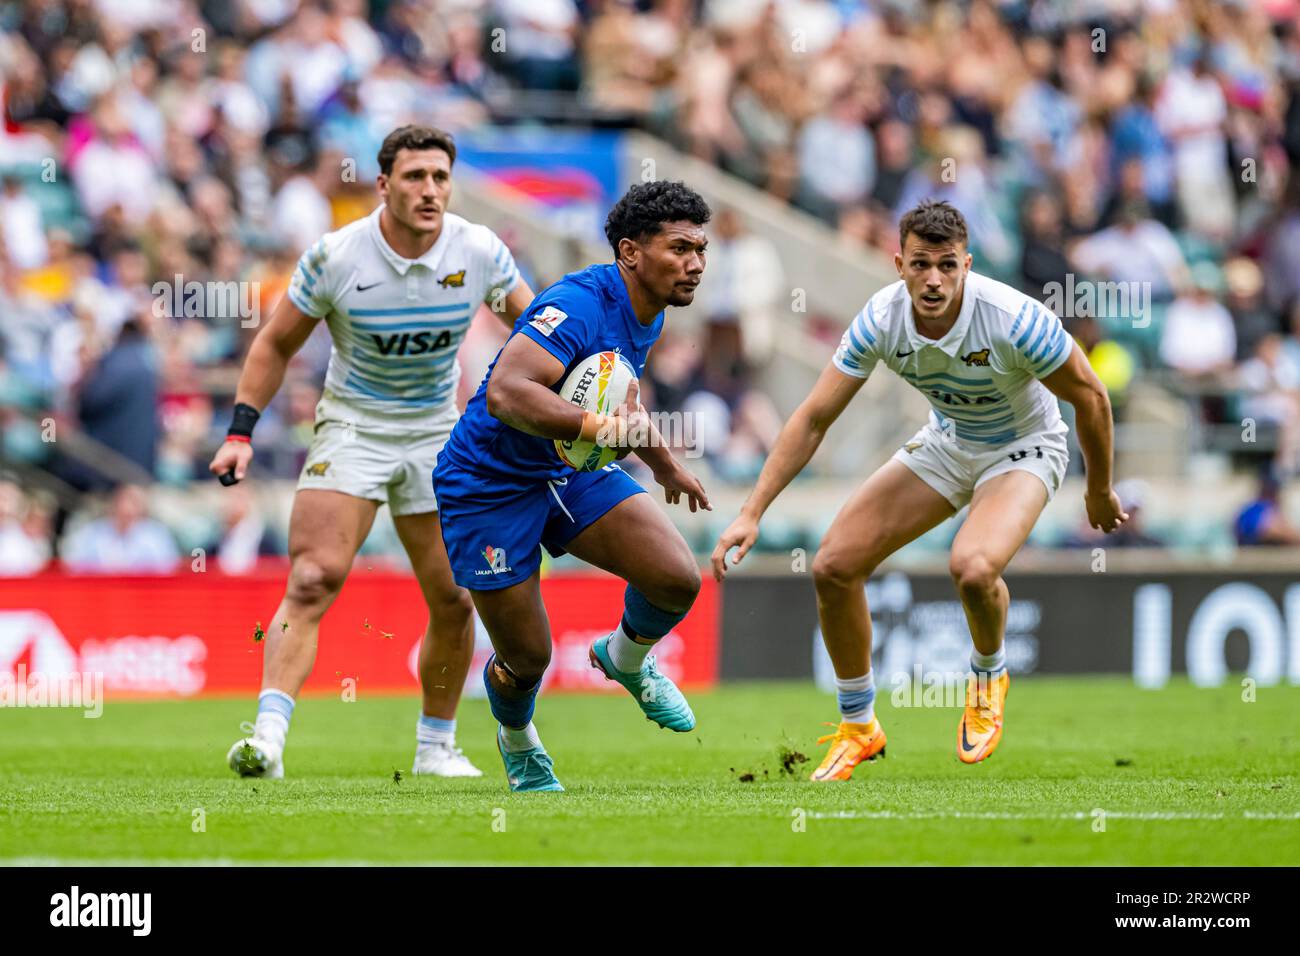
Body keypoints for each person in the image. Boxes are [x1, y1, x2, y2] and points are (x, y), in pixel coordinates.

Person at [712, 199, 1127, 779]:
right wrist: (752, 510)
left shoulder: (1012, 317)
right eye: (921, 264)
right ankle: (859, 727)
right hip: (947, 443)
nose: (934, 280)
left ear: (967, 264)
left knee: (974, 567)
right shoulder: (882, 319)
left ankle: (988, 676)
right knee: (833, 565)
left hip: (1024, 447)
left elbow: (1091, 395)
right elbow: (812, 418)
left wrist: (1100, 490)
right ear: (898, 263)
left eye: (947, 266)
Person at [209, 125, 534, 780]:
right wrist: (240, 431)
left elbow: (536, 331)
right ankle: (267, 741)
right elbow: (275, 345)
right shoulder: (336, 256)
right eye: (415, 177)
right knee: (312, 578)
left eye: (441, 177)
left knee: (454, 597)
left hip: (438, 434)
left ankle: (435, 748)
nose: (430, 190)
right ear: (383, 185)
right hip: (353, 427)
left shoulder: (479, 251)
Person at [432, 181, 712, 792]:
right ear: (631, 252)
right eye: (680, 248)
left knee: (674, 577)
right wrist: (599, 426)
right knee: (529, 656)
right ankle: (517, 738)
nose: (694, 263)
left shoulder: (652, 309)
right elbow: (507, 392)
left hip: (563, 468)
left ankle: (625, 659)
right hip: (488, 481)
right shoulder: (579, 304)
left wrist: (663, 466)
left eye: (701, 249)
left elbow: (620, 400)